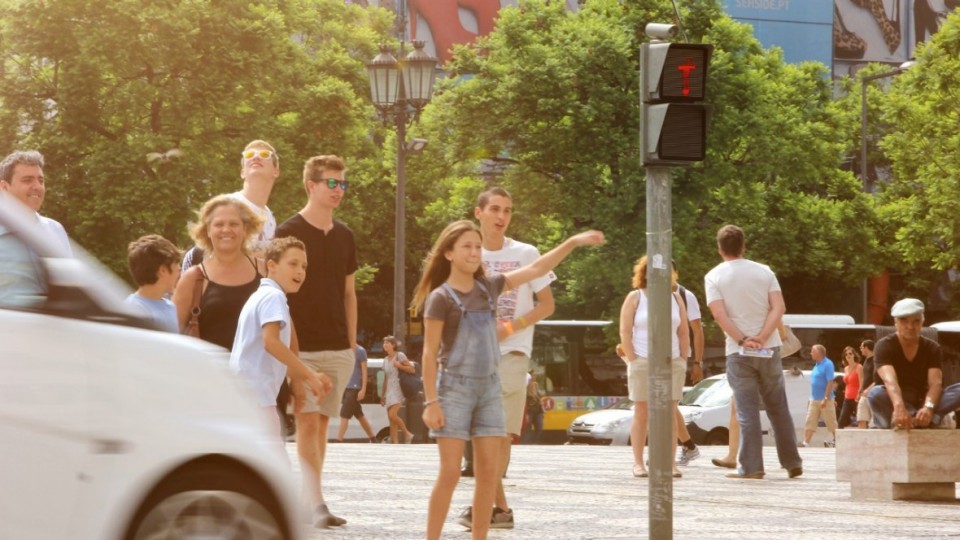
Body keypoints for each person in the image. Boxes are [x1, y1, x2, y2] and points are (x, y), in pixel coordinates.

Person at [413, 220, 603, 540]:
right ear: (448, 253)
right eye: (467, 247)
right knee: (449, 474)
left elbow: (537, 267)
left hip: (489, 387)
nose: (475, 252)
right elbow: (429, 354)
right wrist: (431, 401)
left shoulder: (490, 285)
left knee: (489, 474)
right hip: (454, 390)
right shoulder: (440, 298)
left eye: (477, 246)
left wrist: (572, 242)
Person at [458, 186, 557, 529]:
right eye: (495, 209)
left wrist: (512, 326)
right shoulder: (466, 253)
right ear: (479, 212)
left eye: (508, 211)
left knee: (497, 434)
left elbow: (547, 305)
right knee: (480, 434)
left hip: (513, 353)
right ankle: (499, 509)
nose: (501, 217)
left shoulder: (527, 252)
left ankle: (483, 507)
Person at [275, 154, 356, 529]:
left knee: (322, 424)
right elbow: (278, 294)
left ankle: (313, 496)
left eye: (342, 184)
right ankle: (314, 502)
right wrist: (291, 351)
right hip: (301, 345)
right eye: (332, 183)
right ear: (311, 185)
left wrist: (352, 345)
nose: (338, 190)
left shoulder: (345, 236)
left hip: (339, 346)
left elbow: (349, 293)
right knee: (307, 423)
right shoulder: (288, 233)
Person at [704, 224, 802, 480]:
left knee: (746, 411)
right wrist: (762, 336)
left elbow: (719, 314)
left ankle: (752, 466)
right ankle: (792, 462)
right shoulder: (764, 271)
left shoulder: (713, 276)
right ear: (743, 246)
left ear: (720, 249)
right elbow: (778, 307)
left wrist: (743, 339)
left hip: (738, 352)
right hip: (769, 347)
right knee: (778, 406)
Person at [228, 237, 332, 441]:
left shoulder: (261, 295)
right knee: (271, 465)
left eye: (304, 266)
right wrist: (310, 375)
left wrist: (302, 380)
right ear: (271, 265)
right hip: (256, 399)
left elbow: (275, 353)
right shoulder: (273, 297)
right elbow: (271, 342)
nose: (300, 271)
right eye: (293, 264)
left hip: (246, 396)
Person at [617, 255, 690, 479]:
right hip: (643, 360)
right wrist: (633, 358)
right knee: (642, 411)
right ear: (645, 273)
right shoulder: (635, 297)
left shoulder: (676, 298)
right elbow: (625, 331)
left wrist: (683, 359)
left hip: (671, 361)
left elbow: (684, 331)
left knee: (669, 412)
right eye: (653, 269)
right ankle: (638, 463)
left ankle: (669, 463)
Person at [172, 195, 263, 348]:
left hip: (259, 372)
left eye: (234, 224)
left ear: (245, 229)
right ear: (208, 230)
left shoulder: (266, 272)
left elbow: (286, 329)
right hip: (208, 371)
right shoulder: (192, 278)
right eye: (219, 224)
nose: (226, 230)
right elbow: (172, 335)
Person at [181, 140, 279, 271]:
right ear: (242, 172)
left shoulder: (270, 218)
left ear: (276, 171)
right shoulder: (226, 206)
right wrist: (271, 257)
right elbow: (217, 257)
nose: (256, 156)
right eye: (249, 154)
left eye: (264, 154)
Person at [867, 298, 960, 430]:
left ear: (922, 322)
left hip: (921, 401)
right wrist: (899, 407)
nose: (910, 327)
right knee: (875, 393)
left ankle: (922, 417)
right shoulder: (883, 345)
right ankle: (923, 419)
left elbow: (935, 383)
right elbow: (890, 381)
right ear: (895, 322)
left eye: (916, 321)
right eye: (904, 321)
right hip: (892, 401)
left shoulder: (932, 347)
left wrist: (928, 407)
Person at [0, 150, 71, 255]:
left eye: (41, 181)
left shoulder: (56, 230)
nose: (38, 187)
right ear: (4, 187)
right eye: (27, 180)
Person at [673, 261, 704, 466]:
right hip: (652, 356)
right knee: (664, 405)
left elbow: (697, 331)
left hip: (677, 356)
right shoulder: (646, 293)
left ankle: (683, 448)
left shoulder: (685, 295)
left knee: (666, 404)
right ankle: (688, 445)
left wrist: (697, 362)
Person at [124, 235, 182, 333]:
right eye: (176, 264)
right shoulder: (133, 310)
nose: (179, 269)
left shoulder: (170, 306)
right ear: (163, 270)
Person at [334, 344, 377, 443]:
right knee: (359, 415)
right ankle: (373, 438)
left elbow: (364, 371)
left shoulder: (360, 351)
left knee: (344, 414)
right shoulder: (344, 350)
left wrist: (363, 389)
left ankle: (338, 440)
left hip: (354, 388)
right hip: (345, 387)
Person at [799, 344, 838, 447]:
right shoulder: (816, 365)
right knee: (810, 420)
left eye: (812, 351)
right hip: (814, 399)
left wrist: (825, 398)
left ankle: (837, 440)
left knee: (831, 421)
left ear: (819, 353)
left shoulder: (828, 364)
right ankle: (805, 442)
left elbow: (830, 382)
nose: (811, 353)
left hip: (825, 399)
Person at [382, 335, 416, 444]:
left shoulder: (399, 355)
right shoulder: (385, 360)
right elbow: (385, 378)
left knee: (392, 414)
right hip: (389, 390)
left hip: (398, 388)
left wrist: (399, 366)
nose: (385, 345)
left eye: (387, 343)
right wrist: (383, 395)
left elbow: (412, 369)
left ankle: (407, 433)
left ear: (393, 345)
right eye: (384, 343)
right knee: (391, 419)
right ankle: (395, 443)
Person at [837, 346, 863, 429]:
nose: (848, 355)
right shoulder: (846, 368)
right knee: (841, 421)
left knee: (860, 420)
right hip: (847, 398)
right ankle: (836, 441)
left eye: (850, 353)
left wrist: (859, 394)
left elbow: (861, 381)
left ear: (854, 355)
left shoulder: (859, 367)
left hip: (856, 398)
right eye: (846, 354)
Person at [856, 340, 876, 429]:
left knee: (875, 421)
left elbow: (878, 379)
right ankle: (861, 440)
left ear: (866, 348)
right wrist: (861, 389)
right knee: (861, 418)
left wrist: (869, 389)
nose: (860, 349)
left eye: (861, 347)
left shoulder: (876, 360)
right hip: (864, 394)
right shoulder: (866, 360)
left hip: (873, 394)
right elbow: (865, 377)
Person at [523, 370, 544, 444]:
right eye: (534, 375)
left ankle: (536, 442)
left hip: (538, 409)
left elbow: (539, 395)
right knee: (528, 428)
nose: (535, 376)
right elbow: (527, 396)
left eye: (536, 375)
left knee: (539, 426)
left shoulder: (536, 384)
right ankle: (527, 442)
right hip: (530, 409)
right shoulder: (526, 385)